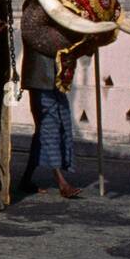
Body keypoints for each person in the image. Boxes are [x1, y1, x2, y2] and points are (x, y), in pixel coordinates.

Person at [20, 48, 83, 199]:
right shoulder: (35, 26)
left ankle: (26, 179)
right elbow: (45, 41)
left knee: (53, 126)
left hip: (58, 77)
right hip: (40, 78)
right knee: (49, 127)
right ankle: (62, 182)